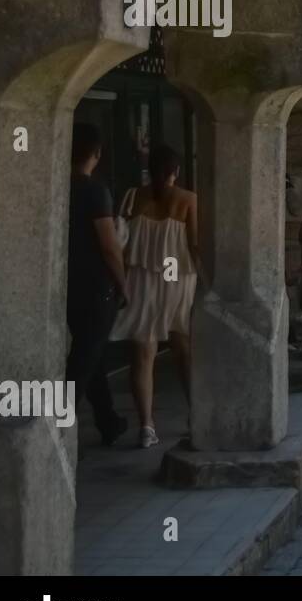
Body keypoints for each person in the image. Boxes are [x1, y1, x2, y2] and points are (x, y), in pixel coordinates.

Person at [110, 145, 199, 448]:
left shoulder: (133, 196)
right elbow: (196, 244)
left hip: (141, 280)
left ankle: (146, 426)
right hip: (177, 279)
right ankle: (195, 415)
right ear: (176, 171)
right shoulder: (188, 200)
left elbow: (120, 241)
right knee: (183, 350)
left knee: (143, 354)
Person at [67, 123, 129, 447]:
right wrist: (123, 284)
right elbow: (109, 245)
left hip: (69, 284)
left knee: (94, 353)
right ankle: (60, 427)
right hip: (96, 287)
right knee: (84, 358)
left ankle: (107, 420)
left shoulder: (60, 185)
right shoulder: (94, 190)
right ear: (97, 153)